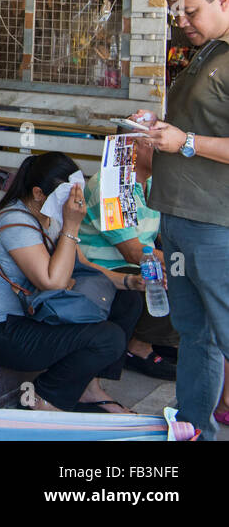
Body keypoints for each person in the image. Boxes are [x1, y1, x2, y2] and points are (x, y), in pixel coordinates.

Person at [132, 0, 229, 436]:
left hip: (217, 228)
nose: (182, 21)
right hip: (178, 221)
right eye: (176, 13)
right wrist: (160, 133)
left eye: (190, 11)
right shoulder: (207, 51)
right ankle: (196, 429)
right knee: (195, 334)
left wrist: (184, 143)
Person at [0, 152, 143, 413]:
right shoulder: (14, 224)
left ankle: (89, 388)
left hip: (38, 315)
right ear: (38, 194)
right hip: (5, 332)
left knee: (128, 300)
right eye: (66, 196)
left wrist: (129, 281)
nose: (73, 203)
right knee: (107, 338)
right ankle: (44, 397)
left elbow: (85, 267)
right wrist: (72, 227)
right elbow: (53, 282)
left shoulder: (49, 219)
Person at [78, 131, 179, 380]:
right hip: (104, 269)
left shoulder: (152, 183)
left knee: (185, 270)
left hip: (137, 262)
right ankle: (138, 345)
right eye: (156, 144)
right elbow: (134, 252)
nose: (165, 150)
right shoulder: (112, 185)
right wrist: (187, 261)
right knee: (181, 273)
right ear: (134, 148)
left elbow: (159, 236)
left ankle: (158, 340)